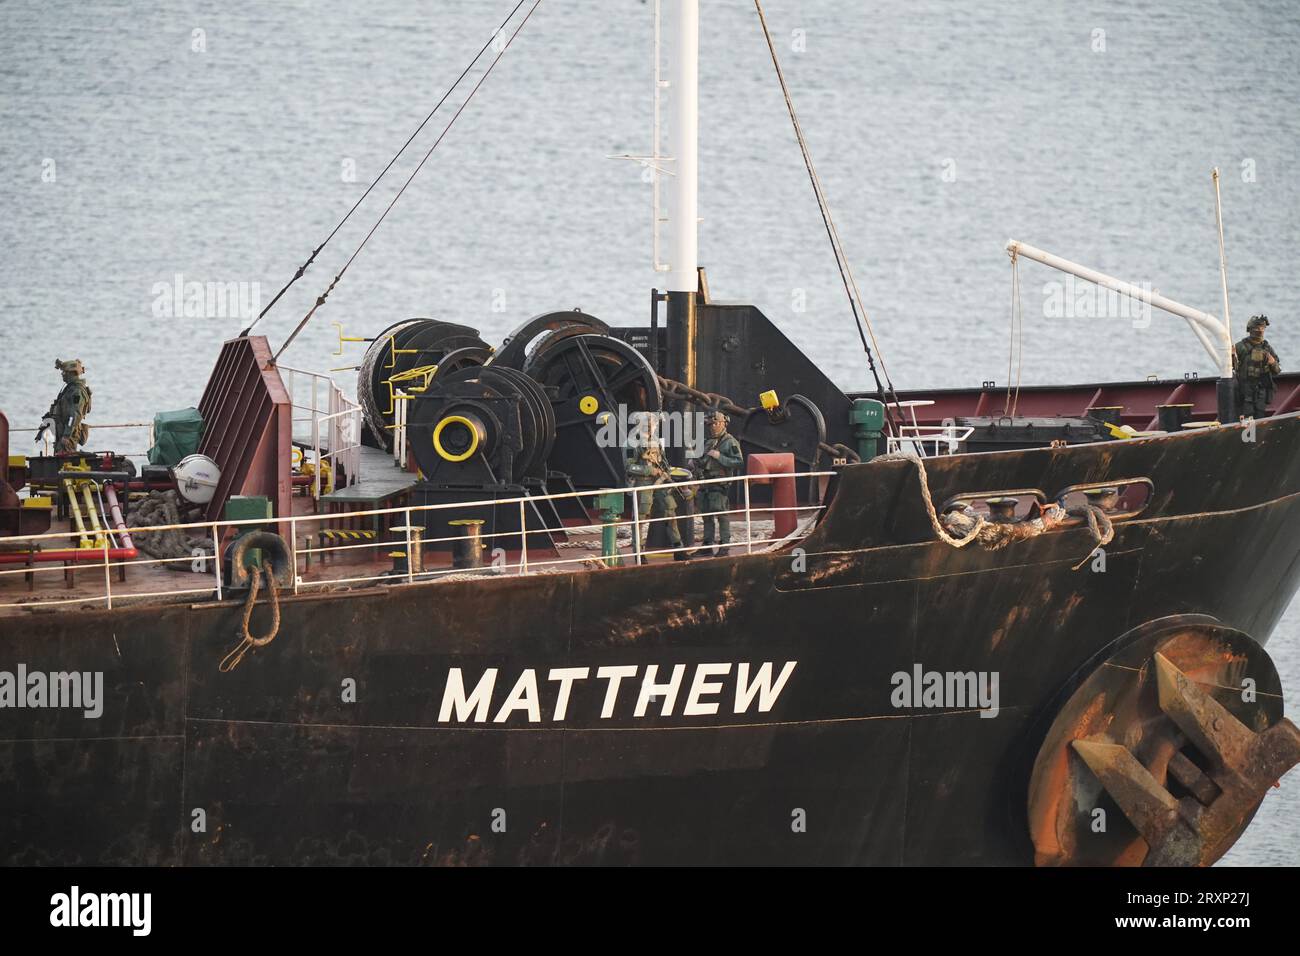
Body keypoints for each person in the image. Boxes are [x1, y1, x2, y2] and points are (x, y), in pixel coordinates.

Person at [625, 431, 686, 560]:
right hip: (643, 483)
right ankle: (639, 554)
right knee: (640, 519)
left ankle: (678, 548)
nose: (650, 427)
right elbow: (629, 467)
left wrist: (666, 473)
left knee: (670, 511)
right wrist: (649, 470)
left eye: (652, 424)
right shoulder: (632, 443)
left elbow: (663, 461)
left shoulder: (656, 442)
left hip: (659, 482)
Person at [695, 410, 743, 556]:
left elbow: (738, 462)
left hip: (719, 483)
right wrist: (695, 463)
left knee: (721, 514)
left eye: (716, 423)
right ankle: (707, 546)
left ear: (723, 424)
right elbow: (703, 460)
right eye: (710, 424)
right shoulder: (707, 442)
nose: (713, 427)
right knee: (706, 515)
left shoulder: (730, 442)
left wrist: (720, 456)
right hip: (705, 482)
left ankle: (724, 546)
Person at [39, 359, 92, 453]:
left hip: (68, 436)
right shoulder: (69, 389)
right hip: (62, 433)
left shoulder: (76, 391)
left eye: (64, 372)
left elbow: (75, 415)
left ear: (71, 373)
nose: (62, 374)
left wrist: (66, 435)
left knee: (66, 462)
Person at [1233, 315, 1281, 419]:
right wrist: (1232, 357)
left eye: (1262, 328)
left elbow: (1277, 370)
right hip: (1245, 392)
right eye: (1257, 328)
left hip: (1261, 392)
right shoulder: (1240, 347)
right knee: (1246, 417)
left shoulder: (1267, 348)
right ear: (1250, 329)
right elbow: (1230, 367)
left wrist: (1272, 362)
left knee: (1260, 417)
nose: (1259, 330)